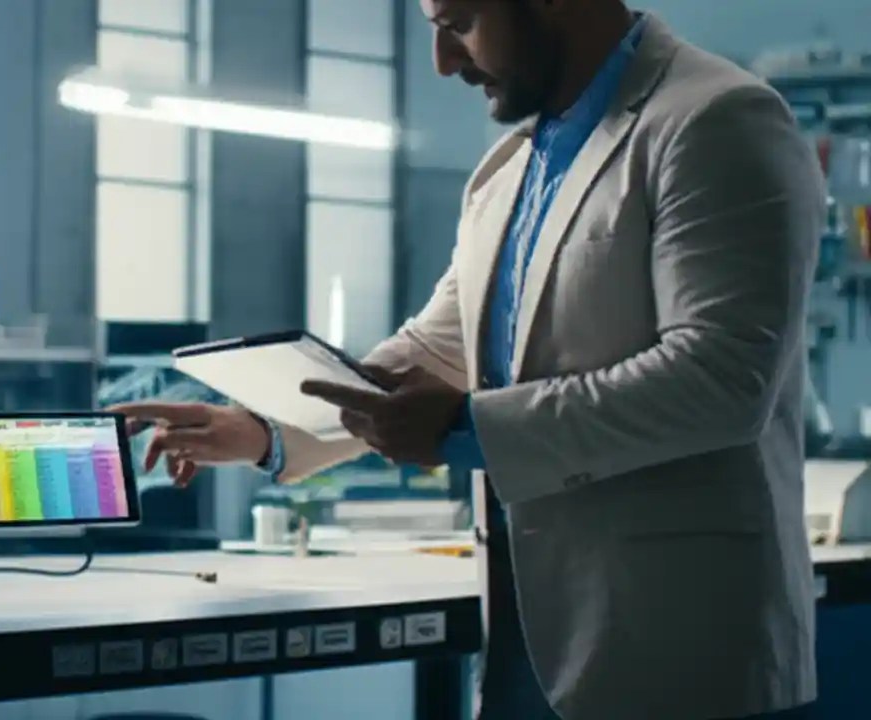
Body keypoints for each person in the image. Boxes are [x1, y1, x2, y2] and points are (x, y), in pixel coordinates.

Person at [112, 1, 824, 718]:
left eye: (457, 23)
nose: (443, 62)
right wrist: (269, 429)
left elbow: (722, 379)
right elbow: (436, 347)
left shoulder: (715, 119)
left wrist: (465, 429)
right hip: (527, 644)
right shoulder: (509, 170)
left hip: (678, 657)